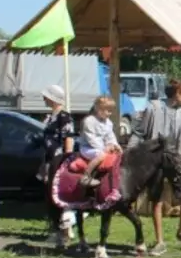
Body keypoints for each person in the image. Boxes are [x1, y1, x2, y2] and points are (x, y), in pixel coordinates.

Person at [128, 80, 181, 255]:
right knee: (156, 200)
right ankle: (160, 242)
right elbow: (140, 132)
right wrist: (130, 152)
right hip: (154, 157)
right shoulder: (154, 108)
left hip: (174, 158)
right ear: (176, 94)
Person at [39, 85, 76, 240]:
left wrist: (66, 159)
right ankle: (57, 227)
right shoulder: (50, 117)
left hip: (58, 159)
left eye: (46, 96)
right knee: (49, 194)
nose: (44, 99)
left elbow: (68, 138)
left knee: (57, 194)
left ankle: (64, 228)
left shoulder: (64, 117)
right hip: (49, 160)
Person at [77, 96, 122, 188]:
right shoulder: (89, 121)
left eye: (111, 111)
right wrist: (104, 148)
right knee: (100, 155)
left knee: (119, 154)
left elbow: (110, 136)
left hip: (101, 147)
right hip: (88, 147)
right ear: (98, 109)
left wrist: (115, 145)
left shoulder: (108, 123)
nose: (110, 113)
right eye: (107, 110)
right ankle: (86, 176)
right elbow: (91, 138)